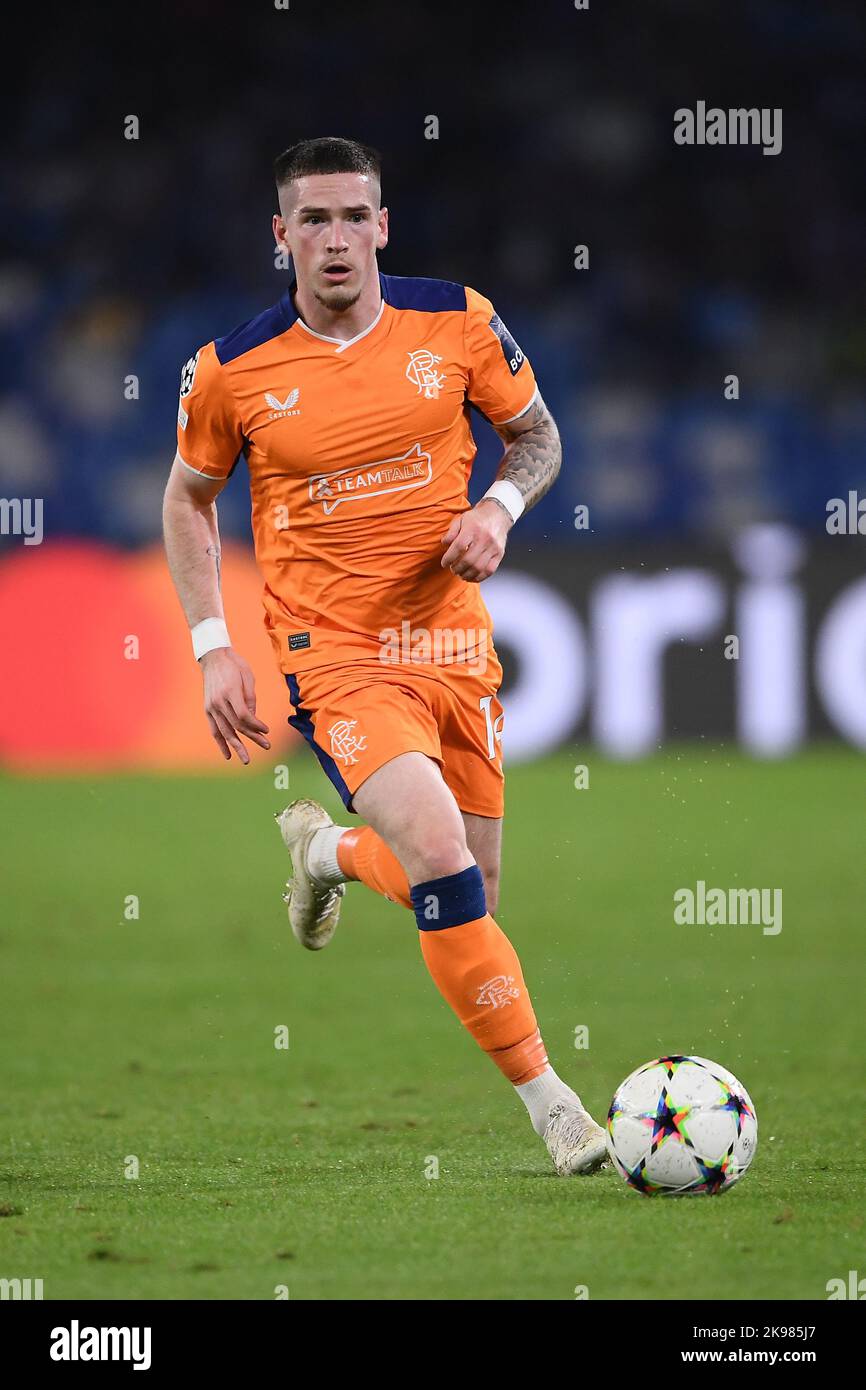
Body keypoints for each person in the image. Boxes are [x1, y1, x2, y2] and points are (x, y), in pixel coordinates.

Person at [162, 136, 607, 1176]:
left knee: (470, 894)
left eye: (352, 216)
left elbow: (536, 437)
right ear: (280, 237)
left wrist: (497, 508)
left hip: (453, 641)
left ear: (381, 226)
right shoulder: (230, 371)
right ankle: (551, 1104)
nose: (334, 239)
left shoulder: (455, 320)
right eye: (310, 220)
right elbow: (188, 498)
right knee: (443, 864)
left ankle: (323, 855)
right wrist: (212, 645)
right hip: (339, 658)